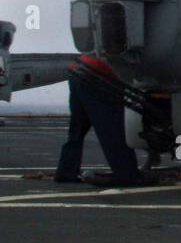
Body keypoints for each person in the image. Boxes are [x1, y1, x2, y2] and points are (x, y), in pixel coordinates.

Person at [55, 54, 143, 186]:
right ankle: (126, 173)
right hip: (96, 74)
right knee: (112, 127)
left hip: (78, 69)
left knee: (77, 128)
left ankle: (66, 171)